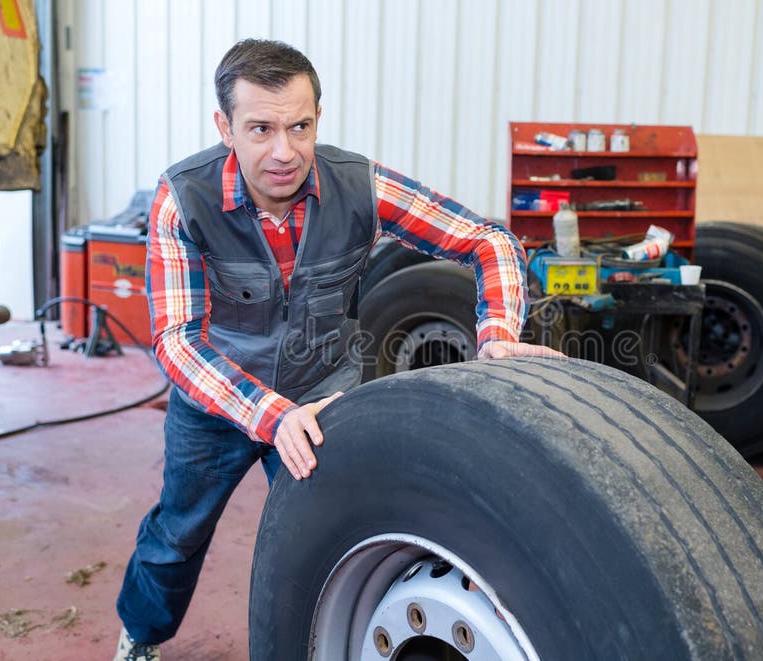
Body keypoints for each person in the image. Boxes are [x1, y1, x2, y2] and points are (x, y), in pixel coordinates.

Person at [113, 38, 562, 660]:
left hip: (323, 399)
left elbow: (488, 239)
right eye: (261, 128)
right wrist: (269, 416)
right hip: (217, 403)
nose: (284, 151)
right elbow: (176, 341)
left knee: (336, 536)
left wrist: (497, 338)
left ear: (318, 117)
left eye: (300, 126)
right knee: (177, 533)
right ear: (225, 127)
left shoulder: (359, 186)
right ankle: (141, 634)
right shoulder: (183, 199)